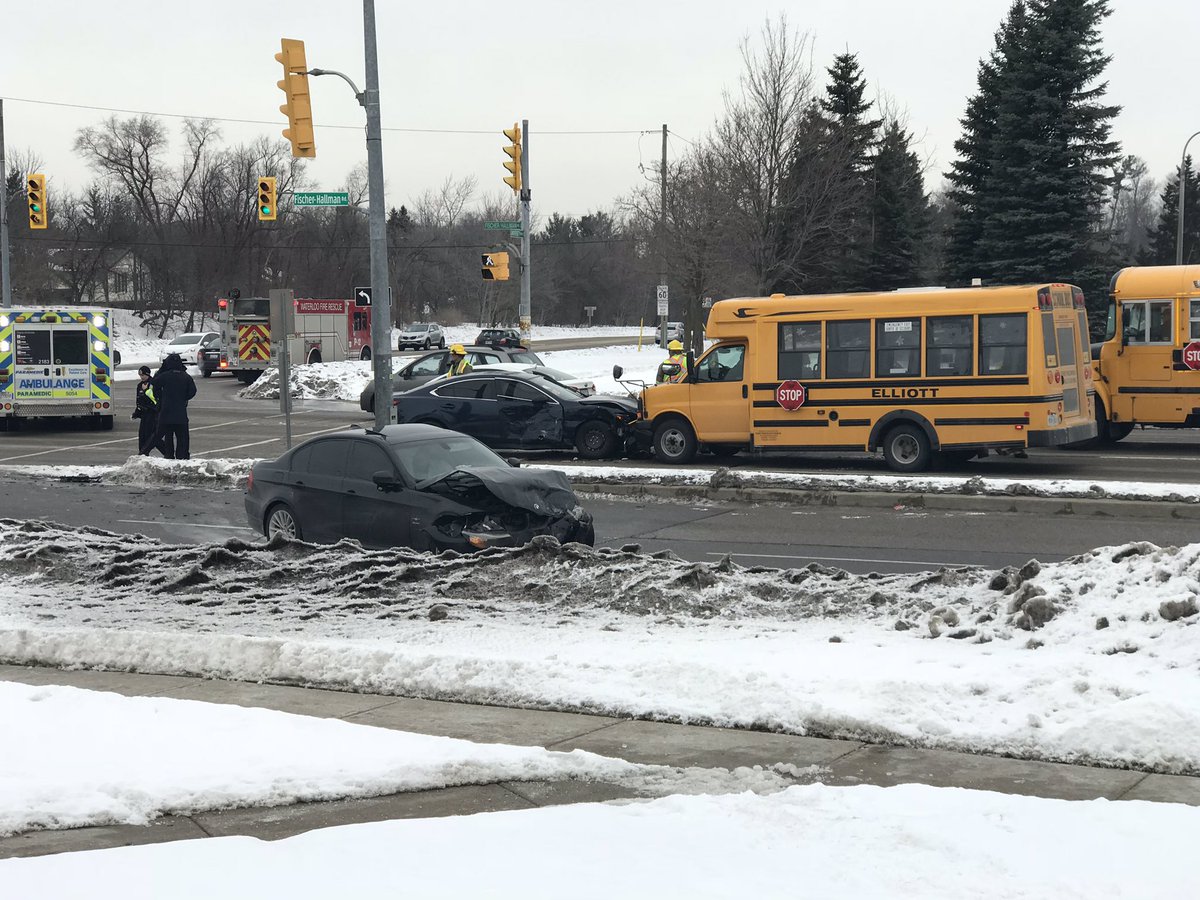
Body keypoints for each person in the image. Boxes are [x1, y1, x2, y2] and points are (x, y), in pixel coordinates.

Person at [144, 353, 197, 459]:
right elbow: (192, 391)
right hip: (181, 414)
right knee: (183, 438)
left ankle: (147, 452)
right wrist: (184, 398)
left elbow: (154, 384)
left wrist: (160, 397)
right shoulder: (186, 377)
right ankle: (182, 457)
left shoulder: (164, 376)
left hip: (166, 412)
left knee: (160, 435)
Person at [132, 366, 159, 456]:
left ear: (148, 374)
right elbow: (139, 400)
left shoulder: (152, 384)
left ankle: (166, 452)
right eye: (140, 375)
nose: (142, 377)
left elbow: (153, 399)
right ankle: (142, 454)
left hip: (152, 413)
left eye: (143, 375)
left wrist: (145, 391)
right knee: (142, 435)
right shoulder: (140, 385)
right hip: (144, 414)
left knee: (151, 436)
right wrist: (137, 412)